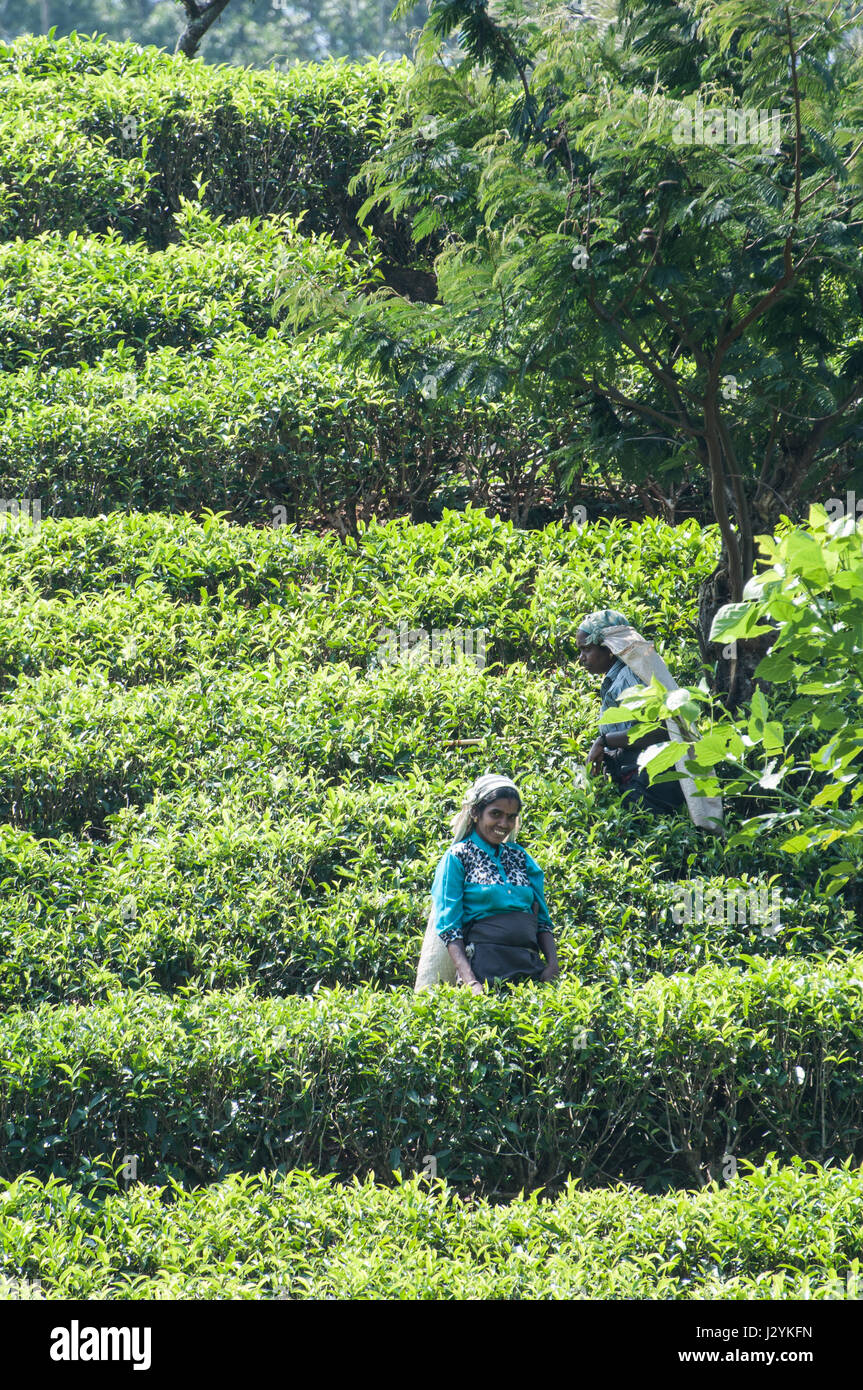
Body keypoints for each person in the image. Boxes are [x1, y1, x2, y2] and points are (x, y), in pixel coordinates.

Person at [428, 774, 560, 992]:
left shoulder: (520, 857)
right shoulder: (459, 857)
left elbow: (543, 921)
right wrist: (470, 981)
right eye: (496, 814)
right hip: (484, 969)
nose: (503, 824)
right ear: (475, 813)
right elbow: (450, 928)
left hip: (529, 968)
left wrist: (552, 965)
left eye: (511, 817)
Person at [576, 608, 686, 816]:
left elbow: (659, 729)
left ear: (609, 649)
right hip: (637, 782)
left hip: (651, 786)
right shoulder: (617, 679)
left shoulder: (629, 678)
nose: (581, 658)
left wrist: (604, 741)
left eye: (586, 650)